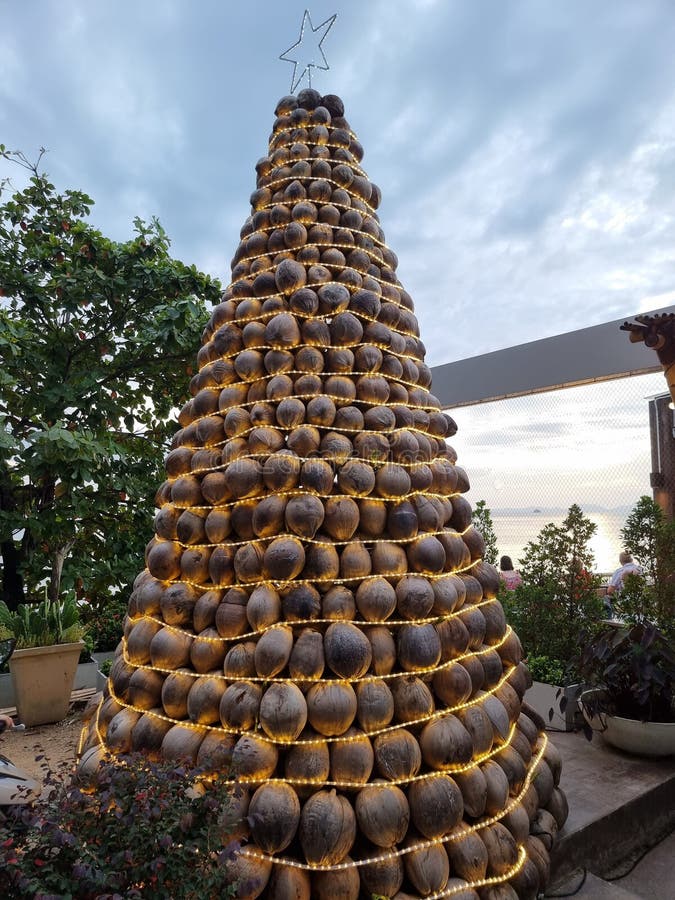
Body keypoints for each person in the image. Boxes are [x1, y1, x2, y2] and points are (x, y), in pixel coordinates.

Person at [606, 551, 641, 615]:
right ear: (631, 559)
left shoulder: (619, 571)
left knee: (606, 598)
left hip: (625, 605)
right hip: (641, 602)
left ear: (620, 561)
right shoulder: (640, 569)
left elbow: (610, 591)